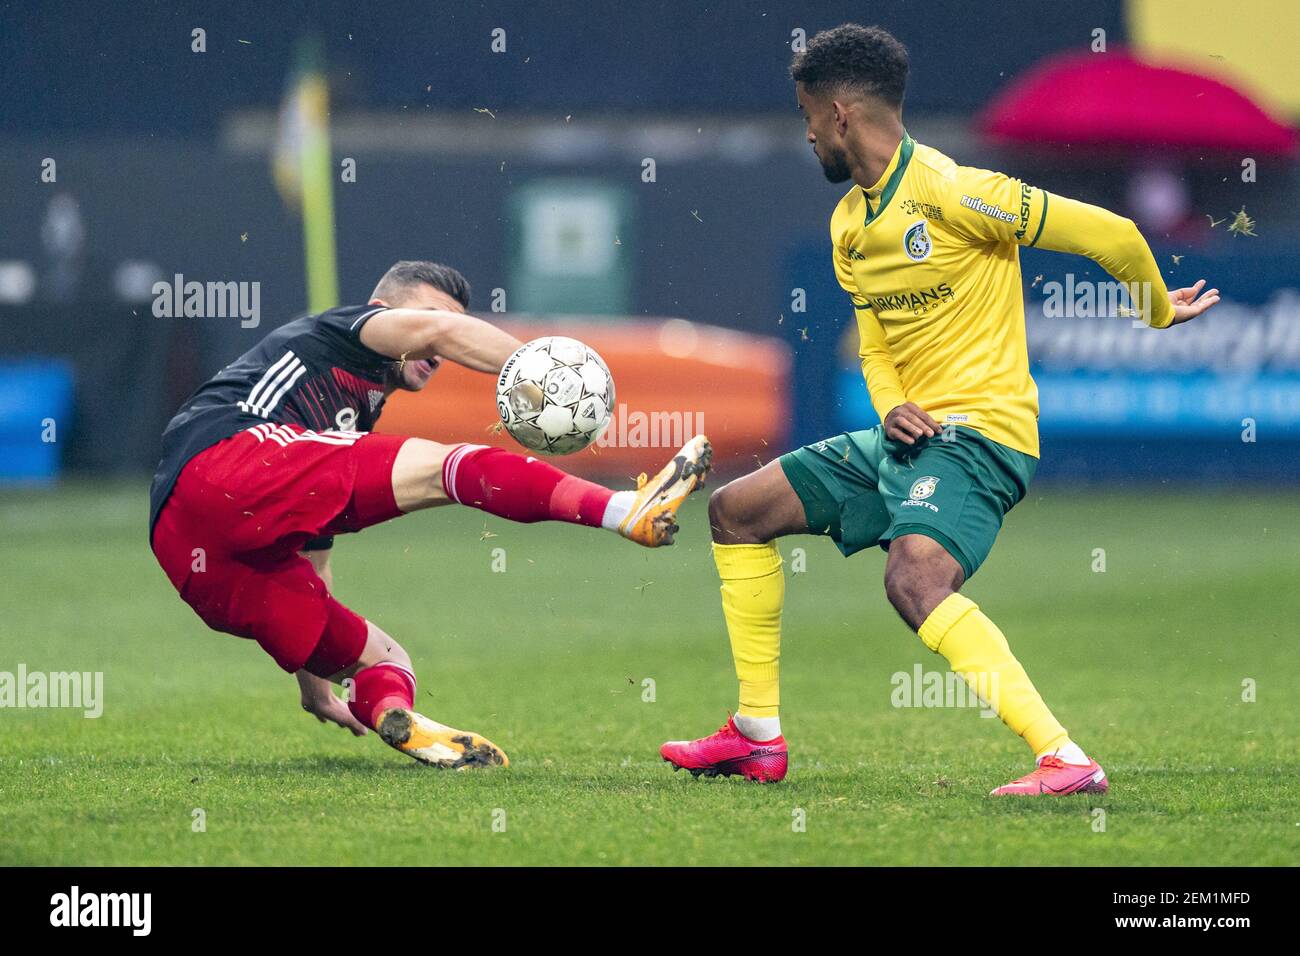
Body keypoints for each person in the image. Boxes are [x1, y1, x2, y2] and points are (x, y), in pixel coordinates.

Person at [660, 25, 1218, 794]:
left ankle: (1064, 757)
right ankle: (757, 737)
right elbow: (878, 347)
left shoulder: (959, 192)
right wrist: (891, 407)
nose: (809, 133)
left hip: (983, 435)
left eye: (807, 115)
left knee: (915, 579)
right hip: (911, 437)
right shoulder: (849, 226)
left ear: (841, 112)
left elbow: (1112, 233)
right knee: (736, 510)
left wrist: (1154, 310)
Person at [150, 260, 711, 769]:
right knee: (454, 465)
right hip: (225, 456)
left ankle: (396, 717)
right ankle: (624, 509)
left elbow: (312, 551)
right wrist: (540, 371)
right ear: (383, 313)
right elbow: (442, 332)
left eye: (449, 326)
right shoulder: (347, 331)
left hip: (191, 547)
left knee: (387, 659)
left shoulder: (349, 415)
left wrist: (316, 676)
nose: (439, 347)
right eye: (429, 316)